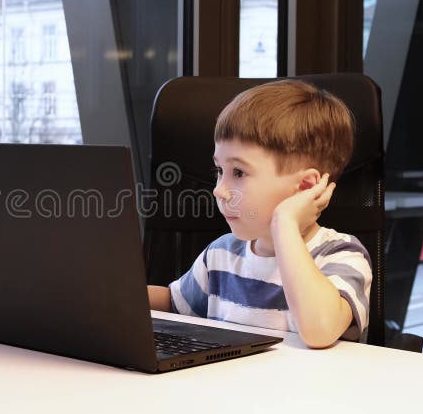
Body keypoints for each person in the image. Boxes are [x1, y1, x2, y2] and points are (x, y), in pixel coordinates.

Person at [147, 79, 373, 348]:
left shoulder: (341, 255)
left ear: (304, 188)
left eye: (238, 173)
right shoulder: (221, 254)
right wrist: (105, 292)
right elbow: (173, 304)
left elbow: (319, 330)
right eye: (220, 171)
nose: (219, 190)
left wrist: (285, 223)